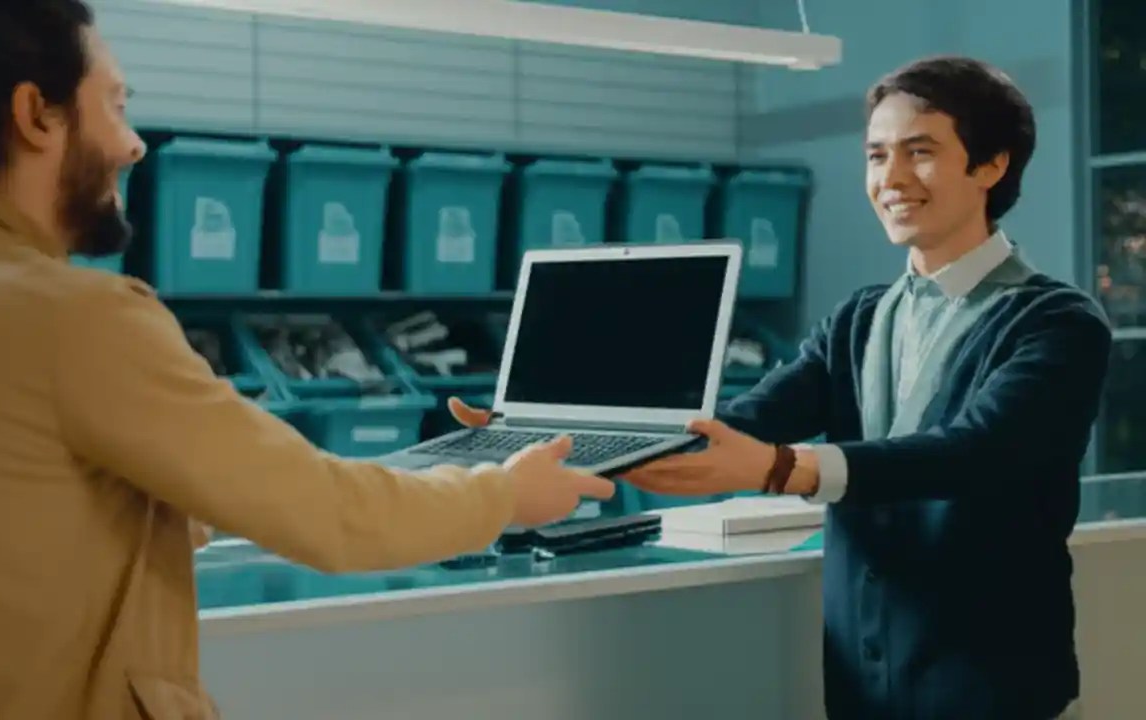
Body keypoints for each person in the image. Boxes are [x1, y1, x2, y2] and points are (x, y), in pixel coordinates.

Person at [0, 2, 615, 718]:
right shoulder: (72, 318)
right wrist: (502, 495)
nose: (135, 145)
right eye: (116, 105)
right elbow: (323, 511)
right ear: (37, 115)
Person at [453, 56, 1108, 719]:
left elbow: (974, 453)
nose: (892, 179)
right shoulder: (860, 317)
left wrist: (781, 469)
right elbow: (755, 417)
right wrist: (572, 433)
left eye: (921, 152)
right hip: (863, 690)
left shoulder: (1056, 322)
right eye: (877, 156)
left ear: (991, 164)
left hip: (995, 689)